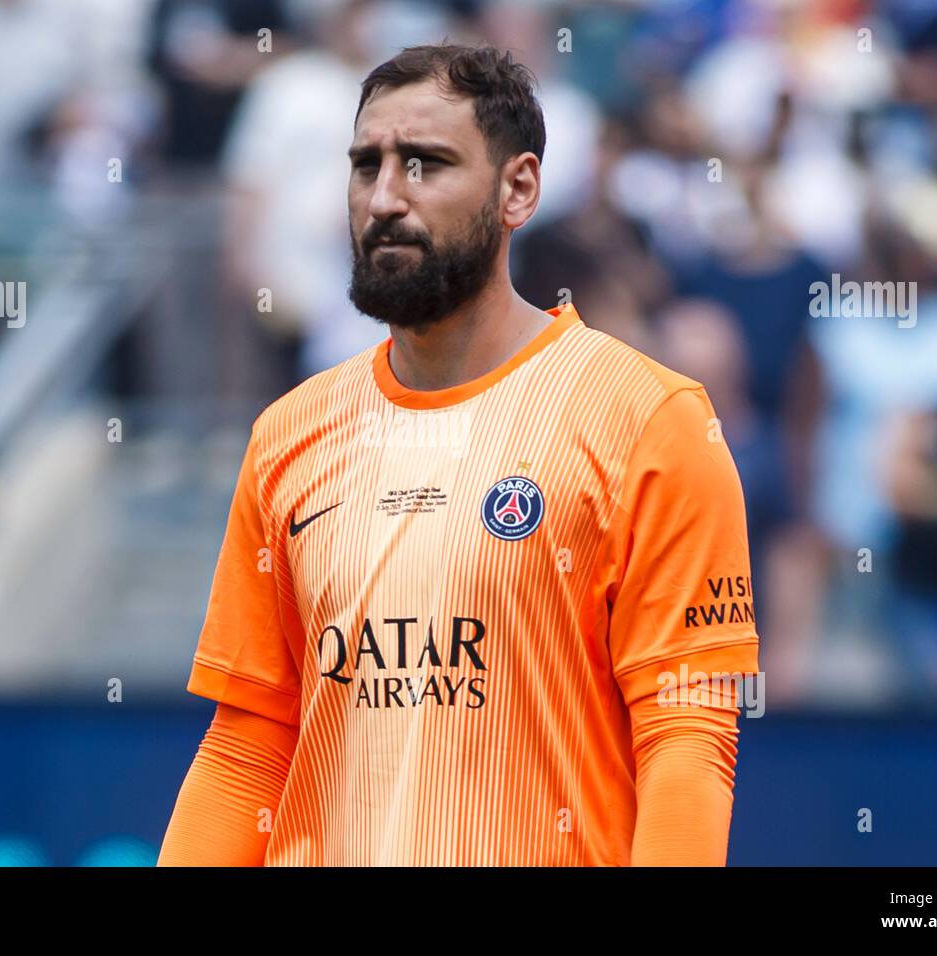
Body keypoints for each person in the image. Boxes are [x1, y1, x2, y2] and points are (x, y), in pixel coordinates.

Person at [159, 44, 761, 866]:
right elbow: (246, 746)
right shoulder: (288, 434)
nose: (384, 199)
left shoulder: (650, 421)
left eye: (424, 165)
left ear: (518, 189)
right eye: (365, 166)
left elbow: (687, 735)